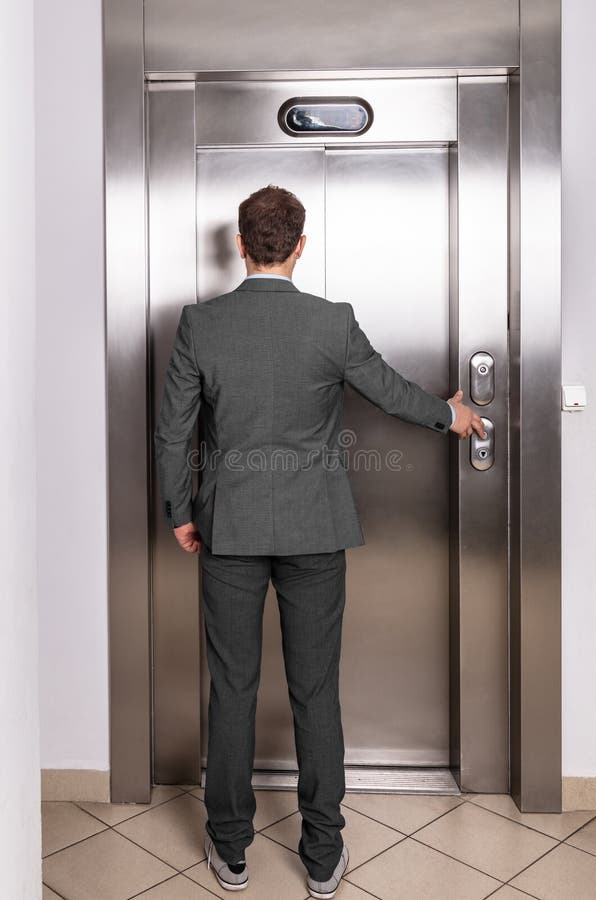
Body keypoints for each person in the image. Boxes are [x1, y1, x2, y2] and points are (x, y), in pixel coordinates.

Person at [154, 185, 485, 898]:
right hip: (314, 532)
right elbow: (389, 390)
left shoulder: (201, 325)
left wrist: (181, 510)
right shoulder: (332, 323)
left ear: (241, 245)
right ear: (300, 246)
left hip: (230, 528)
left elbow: (174, 429)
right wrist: (448, 416)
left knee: (233, 688)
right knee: (315, 689)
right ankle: (322, 854)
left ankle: (231, 849)